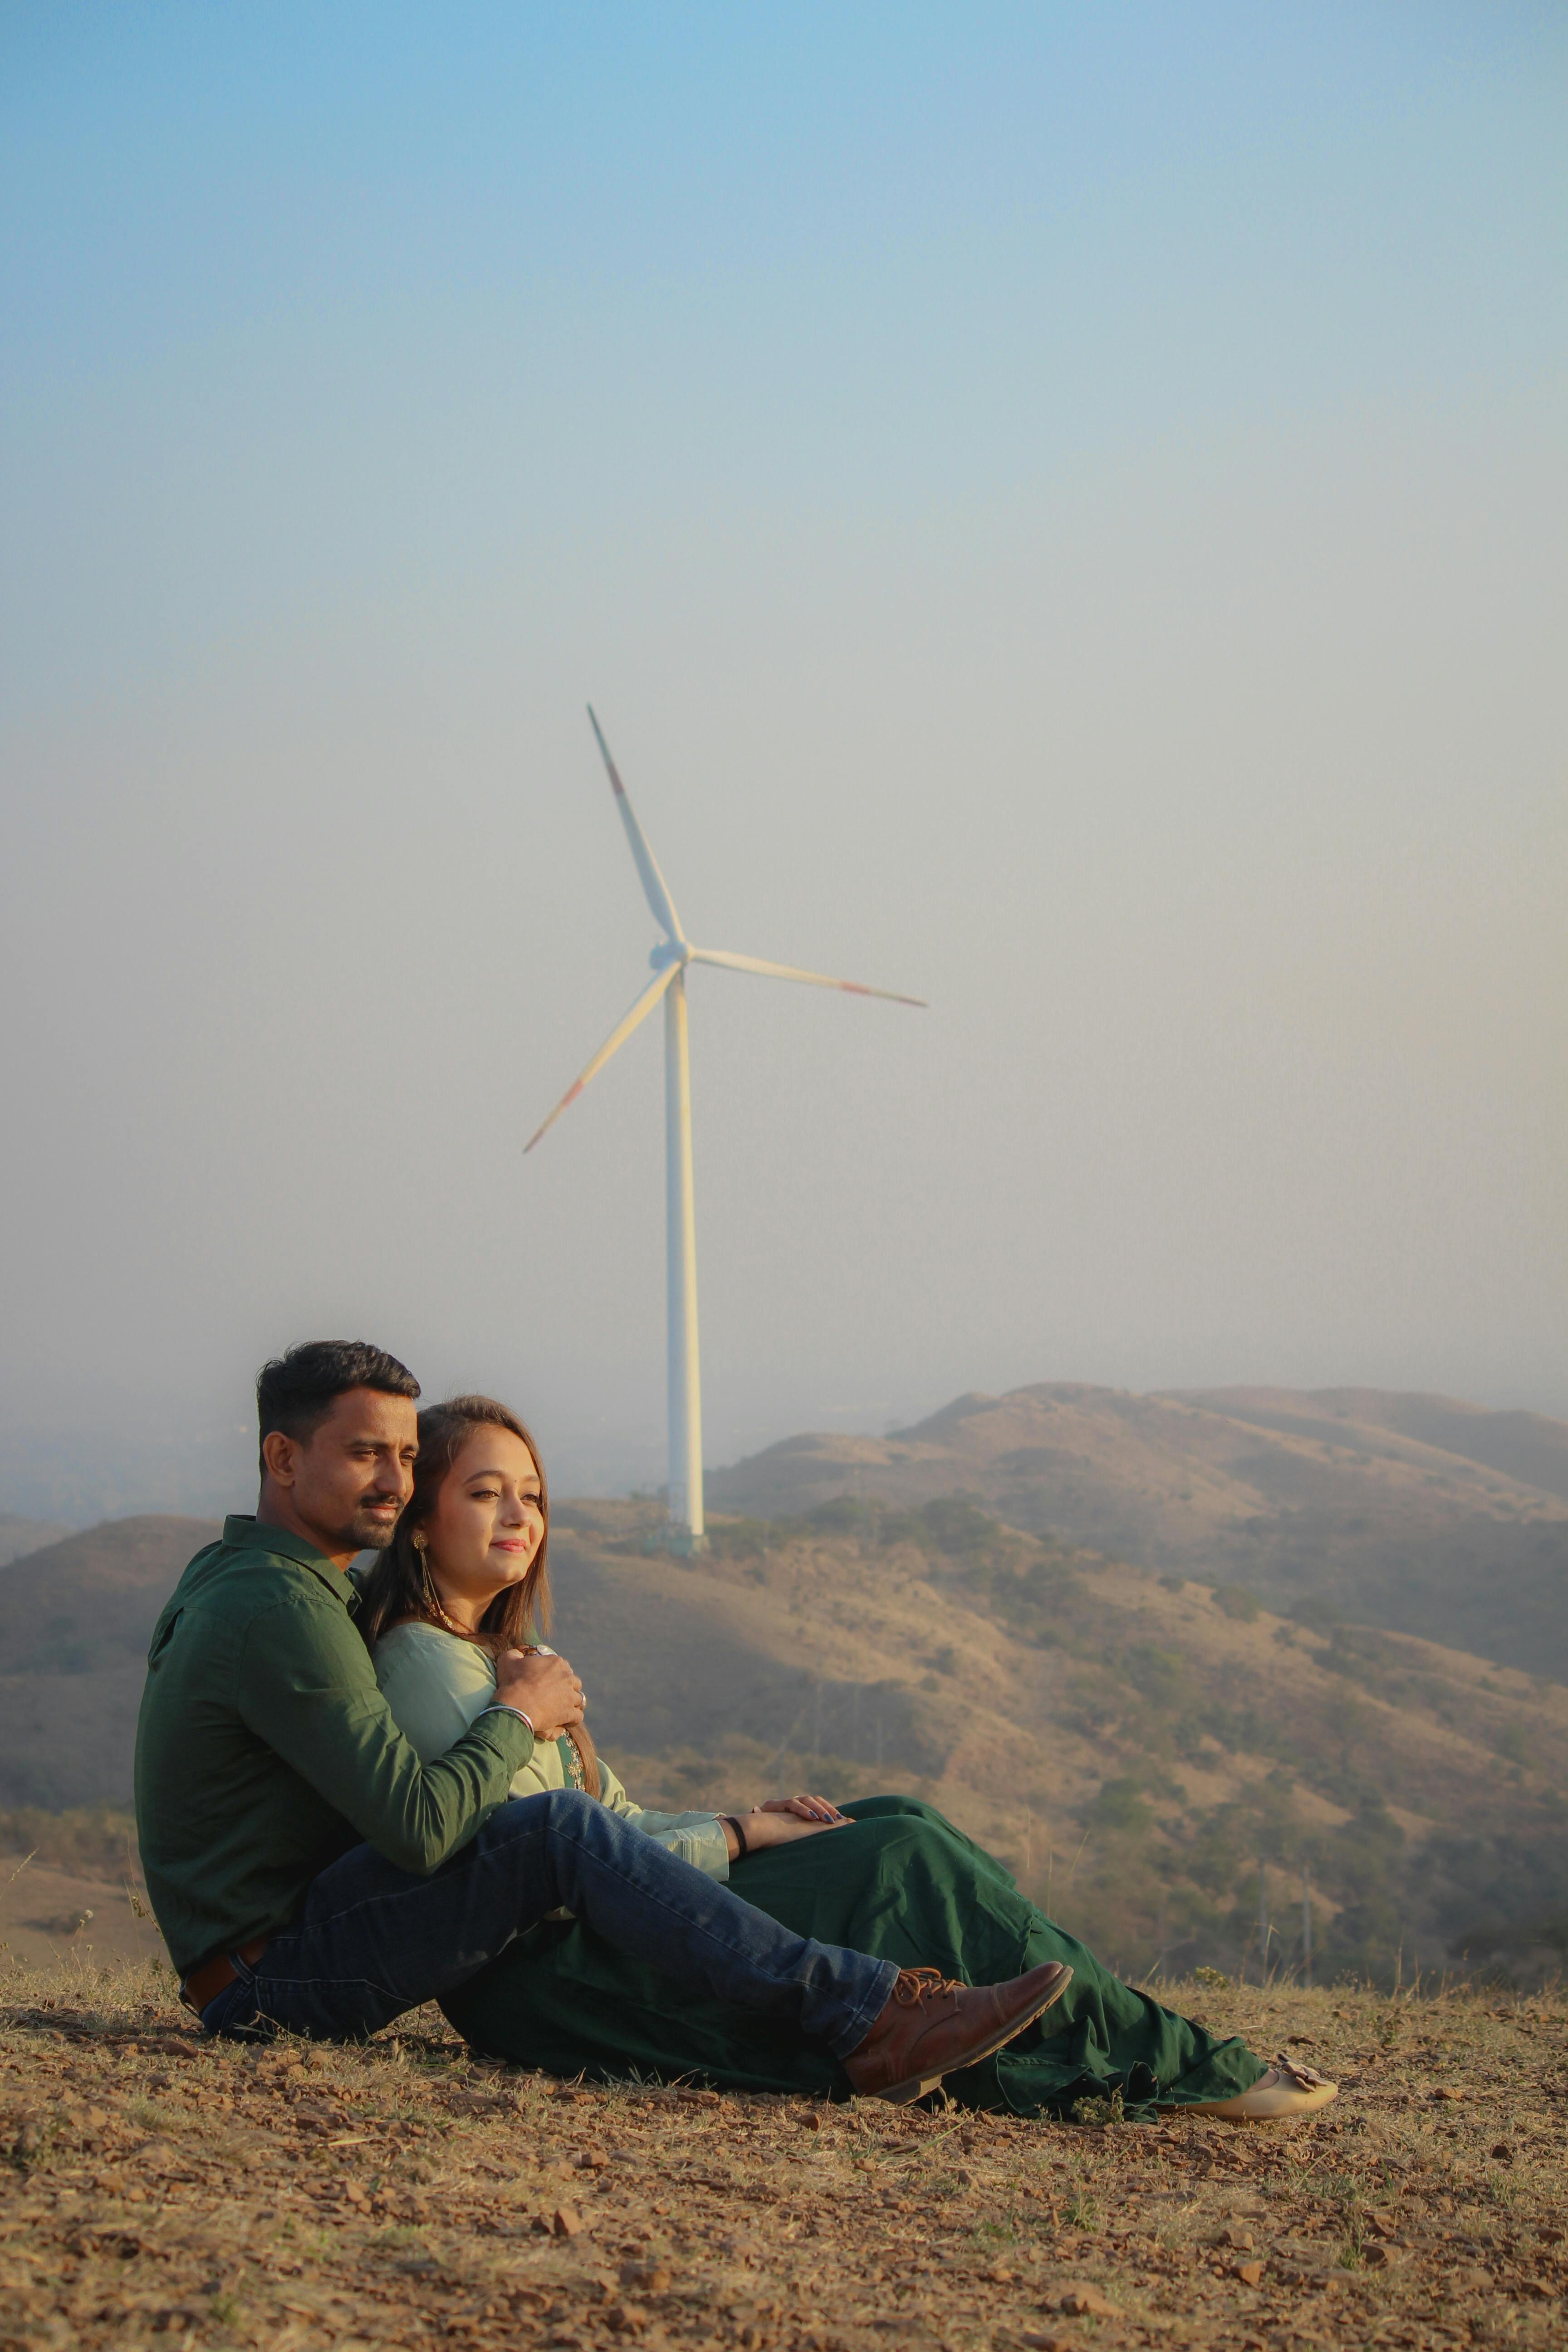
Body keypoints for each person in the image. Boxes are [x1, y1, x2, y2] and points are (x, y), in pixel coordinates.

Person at [133, 1340, 1072, 2107]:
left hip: (280, 1945)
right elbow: (421, 1828)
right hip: (269, 1986)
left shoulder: (268, 1580)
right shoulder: (281, 1609)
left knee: (558, 1824)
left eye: (407, 1457)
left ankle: (877, 2013)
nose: (394, 1481)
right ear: (283, 1458)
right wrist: (515, 1714)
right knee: (547, 1827)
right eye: (364, 1454)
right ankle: (868, 2019)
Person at [366, 1392, 1338, 2122]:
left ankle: (1090, 2033)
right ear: (420, 1521)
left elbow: (611, 1829)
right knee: (898, 1863)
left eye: (530, 1496)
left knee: (891, 1819)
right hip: (559, 1976)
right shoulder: (425, 1661)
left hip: (609, 1930)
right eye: (484, 1493)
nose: (517, 1516)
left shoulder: (508, 1662)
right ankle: (1170, 2060)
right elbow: (551, 1868)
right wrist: (737, 1838)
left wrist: (746, 1831)